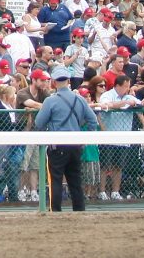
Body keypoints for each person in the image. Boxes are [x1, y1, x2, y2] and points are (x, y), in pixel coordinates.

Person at [34, 66, 98, 212]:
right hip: (76, 145)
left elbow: (39, 123)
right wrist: (81, 130)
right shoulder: (80, 99)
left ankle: (55, 211)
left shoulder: (51, 101)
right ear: (69, 81)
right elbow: (92, 120)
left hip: (58, 146)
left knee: (55, 180)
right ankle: (79, 211)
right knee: (75, 181)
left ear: (54, 83)